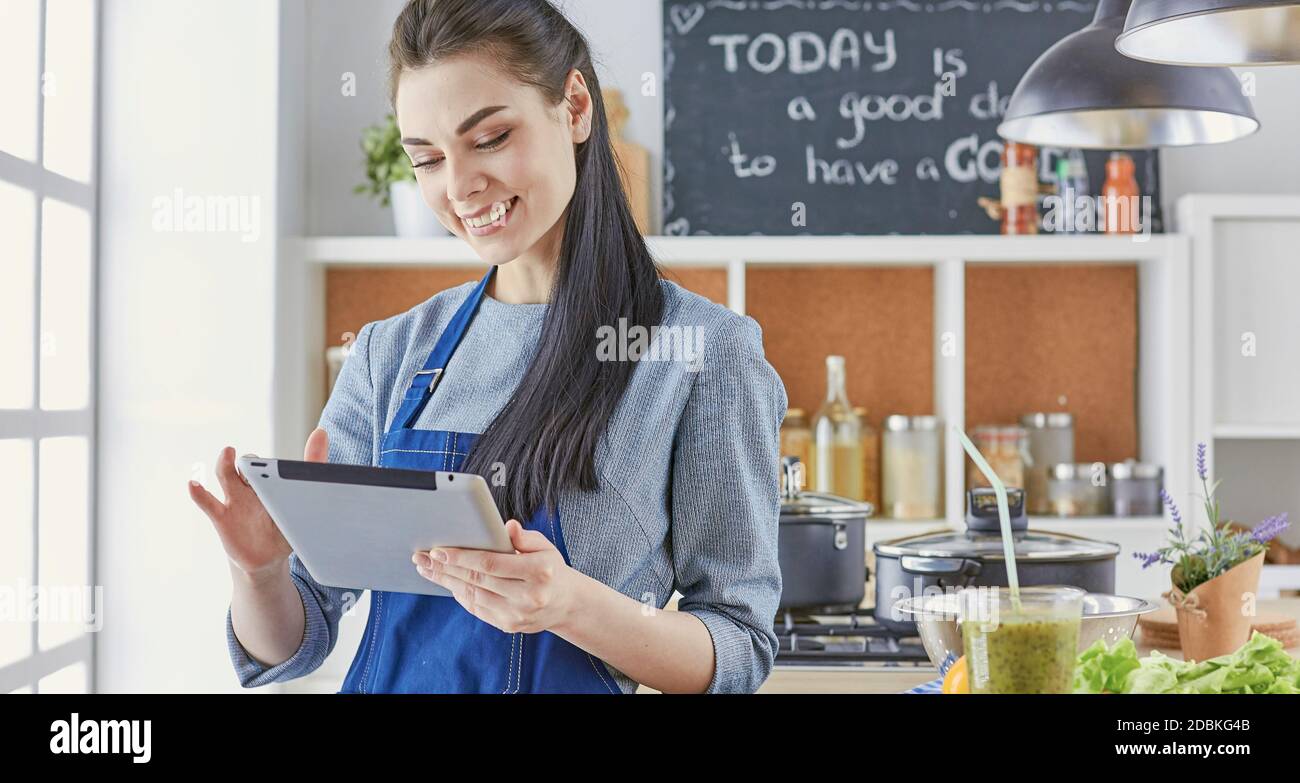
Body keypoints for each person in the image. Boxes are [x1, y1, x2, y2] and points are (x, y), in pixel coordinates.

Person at [188, 0, 786, 694]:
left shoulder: (703, 355)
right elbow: (294, 641)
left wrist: (570, 604)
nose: (460, 185)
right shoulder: (390, 353)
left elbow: (738, 647)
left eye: (492, 137)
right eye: (429, 158)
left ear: (575, 106)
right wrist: (259, 572)